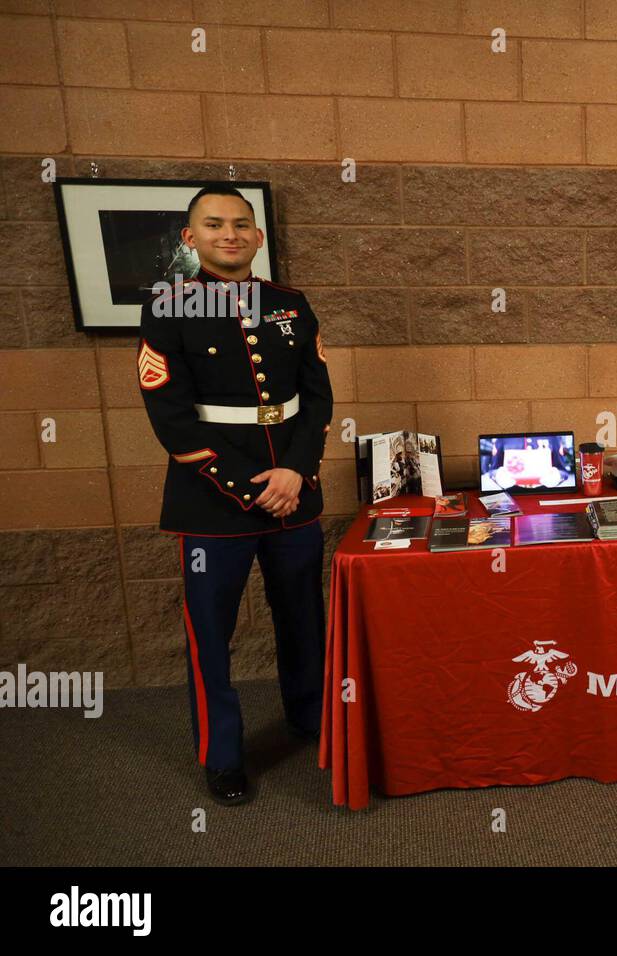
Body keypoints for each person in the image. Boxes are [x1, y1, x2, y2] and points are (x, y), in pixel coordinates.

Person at [137, 184, 333, 806]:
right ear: (191, 238)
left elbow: (317, 396)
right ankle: (222, 756)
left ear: (257, 235)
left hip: (294, 493)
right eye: (215, 224)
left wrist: (296, 472)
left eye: (241, 224)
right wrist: (253, 487)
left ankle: (312, 720)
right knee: (210, 636)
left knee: (304, 619)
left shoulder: (291, 303)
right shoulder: (168, 307)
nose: (231, 233)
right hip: (213, 501)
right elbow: (170, 415)